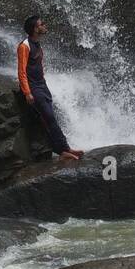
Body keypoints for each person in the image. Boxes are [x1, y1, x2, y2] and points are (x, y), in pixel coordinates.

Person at [17, 15, 83, 161]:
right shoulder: (24, 46)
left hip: (42, 86)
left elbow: (38, 66)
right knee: (50, 118)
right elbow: (21, 72)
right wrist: (27, 92)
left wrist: (44, 83)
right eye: (42, 24)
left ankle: (65, 148)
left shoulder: (37, 44)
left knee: (50, 118)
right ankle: (63, 151)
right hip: (33, 88)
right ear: (35, 28)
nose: (45, 26)